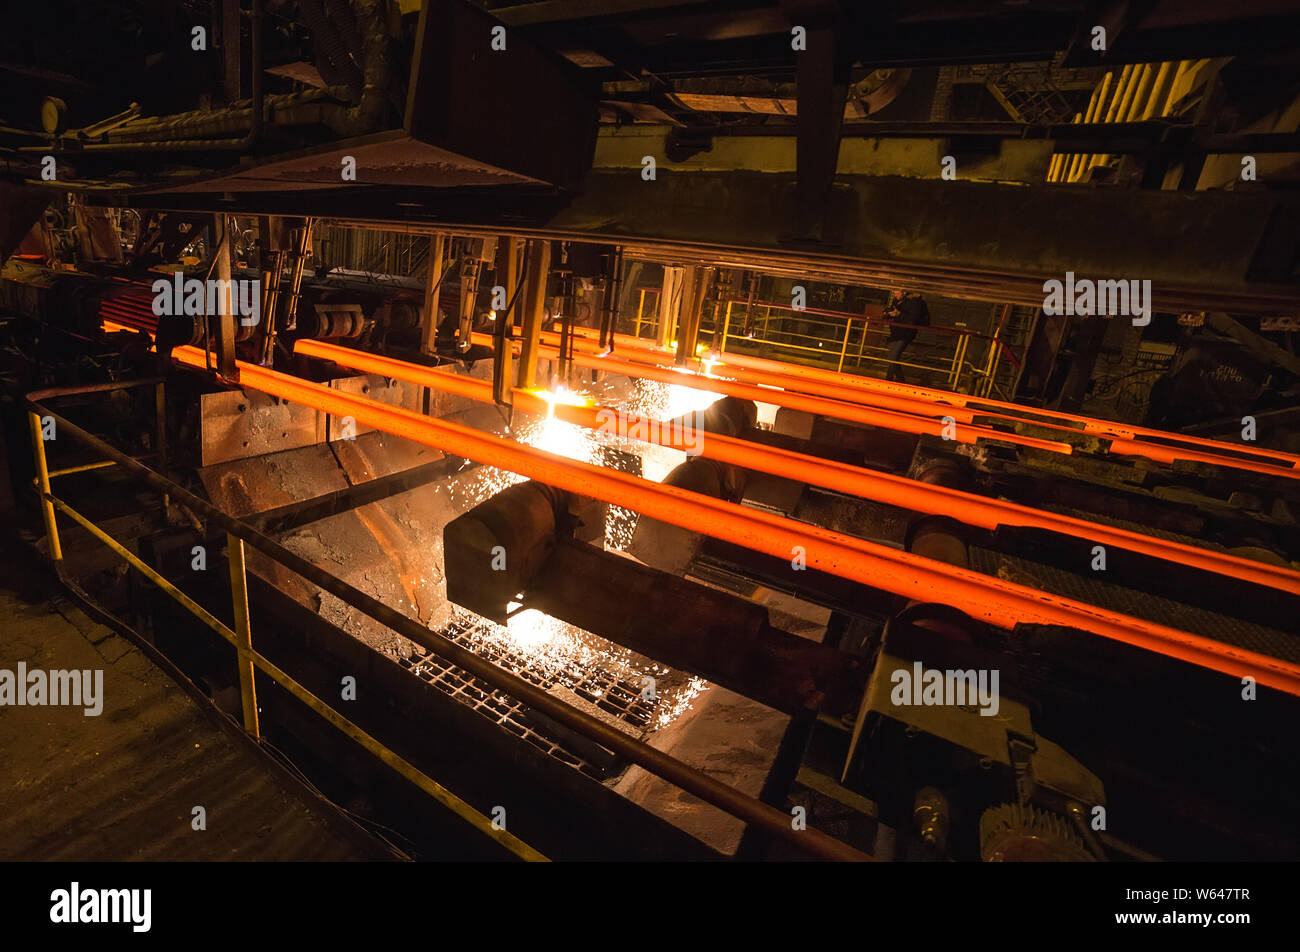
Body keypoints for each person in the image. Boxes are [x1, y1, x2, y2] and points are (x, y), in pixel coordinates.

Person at [882, 288, 930, 382]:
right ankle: (900, 379)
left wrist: (899, 314)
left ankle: (889, 379)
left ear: (904, 292)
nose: (895, 294)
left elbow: (913, 320)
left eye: (897, 292)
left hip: (905, 333)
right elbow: (893, 311)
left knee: (893, 356)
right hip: (896, 332)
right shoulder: (898, 301)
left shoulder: (916, 303)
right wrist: (887, 314)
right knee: (893, 356)